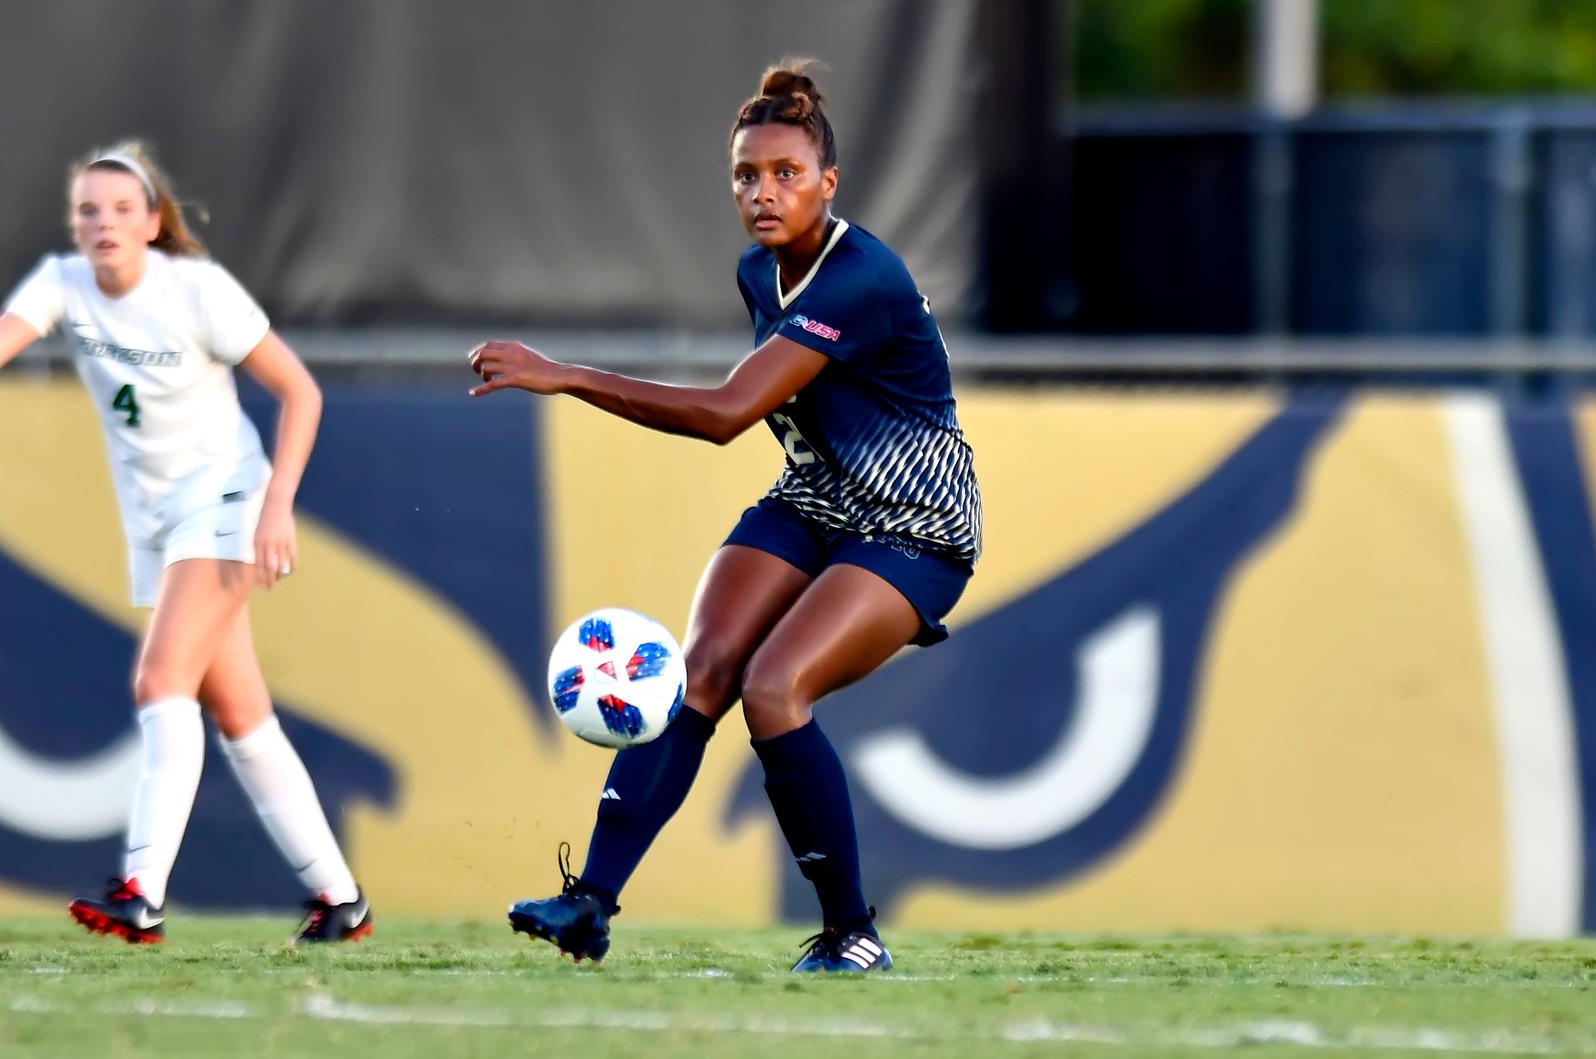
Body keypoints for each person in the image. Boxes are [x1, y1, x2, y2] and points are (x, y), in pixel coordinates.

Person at [473, 61, 981, 973]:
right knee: (698, 669)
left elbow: (723, 416)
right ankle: (589, 903)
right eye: (747, 175)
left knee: (775, 685)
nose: (764, 192)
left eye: (787, 173)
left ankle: (851, 933)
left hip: (916, 519)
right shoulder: (760, 270)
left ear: (831, 184)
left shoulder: (857, 277)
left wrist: (567, 373)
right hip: (818, 494)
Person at [0, 141, 372, 944]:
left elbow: (299, 391)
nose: (103, 224)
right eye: (88, 211)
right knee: (240, 714)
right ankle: (341, 899)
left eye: (122, 210)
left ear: (154, 221)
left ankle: (141, 889)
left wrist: (277, 505)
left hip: (229, 496)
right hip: (163, 519)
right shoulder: (63, 283)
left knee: (159, 677)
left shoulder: (195, 290)